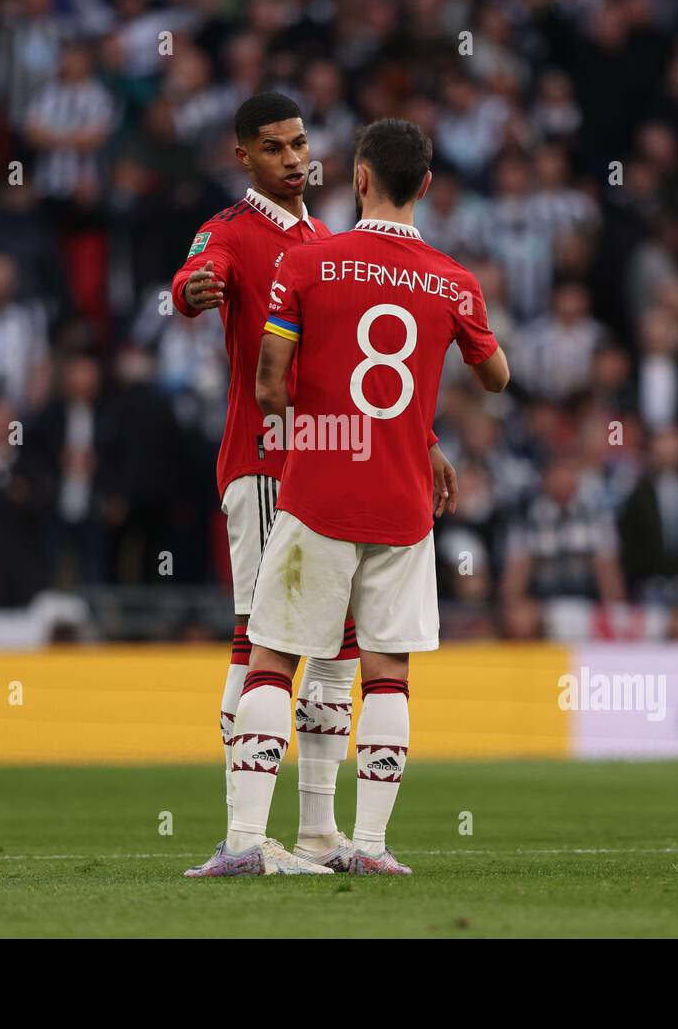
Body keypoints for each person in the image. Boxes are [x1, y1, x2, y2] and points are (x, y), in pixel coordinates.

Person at [186, 118, 508, 877]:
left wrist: (321, 428)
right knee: (385, 670)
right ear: (426, 186)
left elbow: (270, 383)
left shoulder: (310, 264)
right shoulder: (456, 281)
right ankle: (366, 847)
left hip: (317, 489)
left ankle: (242, 842)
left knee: (269, 658)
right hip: (400, 501)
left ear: (358, 179)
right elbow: (496, 379)